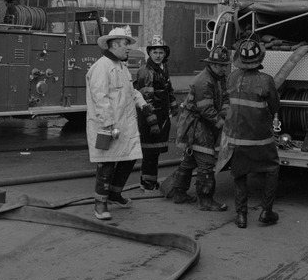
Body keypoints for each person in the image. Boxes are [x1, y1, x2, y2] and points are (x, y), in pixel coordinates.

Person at [86, 27, 160, 221]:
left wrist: (143, 105)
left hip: (125, 126)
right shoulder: (101, 67)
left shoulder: (121, 67)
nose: (128, 48)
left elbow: (131, 91)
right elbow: (99, 98)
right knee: (107, 164)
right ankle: (100, 204)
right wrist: (108, 125)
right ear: (115, 44)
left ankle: (114, 194)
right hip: (108, 127)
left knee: (129, 158)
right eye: (126, 44)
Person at [216, 38, 281, 229]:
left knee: (240, 175)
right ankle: (266, 212)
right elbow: (275, 106)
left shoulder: (232, 77)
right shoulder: (266, 80)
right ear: (259, 59)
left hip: (237, 138)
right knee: (272, 169)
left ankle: (241, 216)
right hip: (261, 140)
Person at [169, 45, 231, 212]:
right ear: (211, 64)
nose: (223, 68)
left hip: (204, 122)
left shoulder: (219, 77)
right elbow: (206, 110)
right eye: (220, 65)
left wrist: (227, 112)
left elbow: (224, 97)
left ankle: (179, 193)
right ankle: (205, 200)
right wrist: (224, 125)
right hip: (196, 124)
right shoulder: (203, 81)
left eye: (225, 65)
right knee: (206, 162)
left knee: (190, 160)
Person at [134, 35, 178, 191]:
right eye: (155, 52)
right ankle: (146, 183)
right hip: (150, 119)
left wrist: (174, 107)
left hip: (161, 117)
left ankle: (150, 182)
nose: (158, 55)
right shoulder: (145, 72)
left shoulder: (162, 70)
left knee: (154, 153)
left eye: (161, 52)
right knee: (150, 153)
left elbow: (169, 90)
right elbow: (147, 101)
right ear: (149, 53)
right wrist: (152, 122)